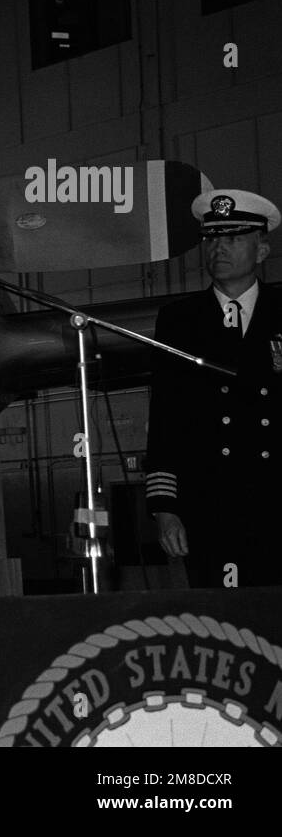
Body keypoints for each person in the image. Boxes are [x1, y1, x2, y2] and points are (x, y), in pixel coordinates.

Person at [146, 188, 282, 587]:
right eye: (211, 239)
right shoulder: (179, 320)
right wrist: (165, 507)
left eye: (233, 239)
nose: (218, 249)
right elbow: (165, 417)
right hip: (210, 503)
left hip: (276, 497)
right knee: (219, 617)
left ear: (261, 251)